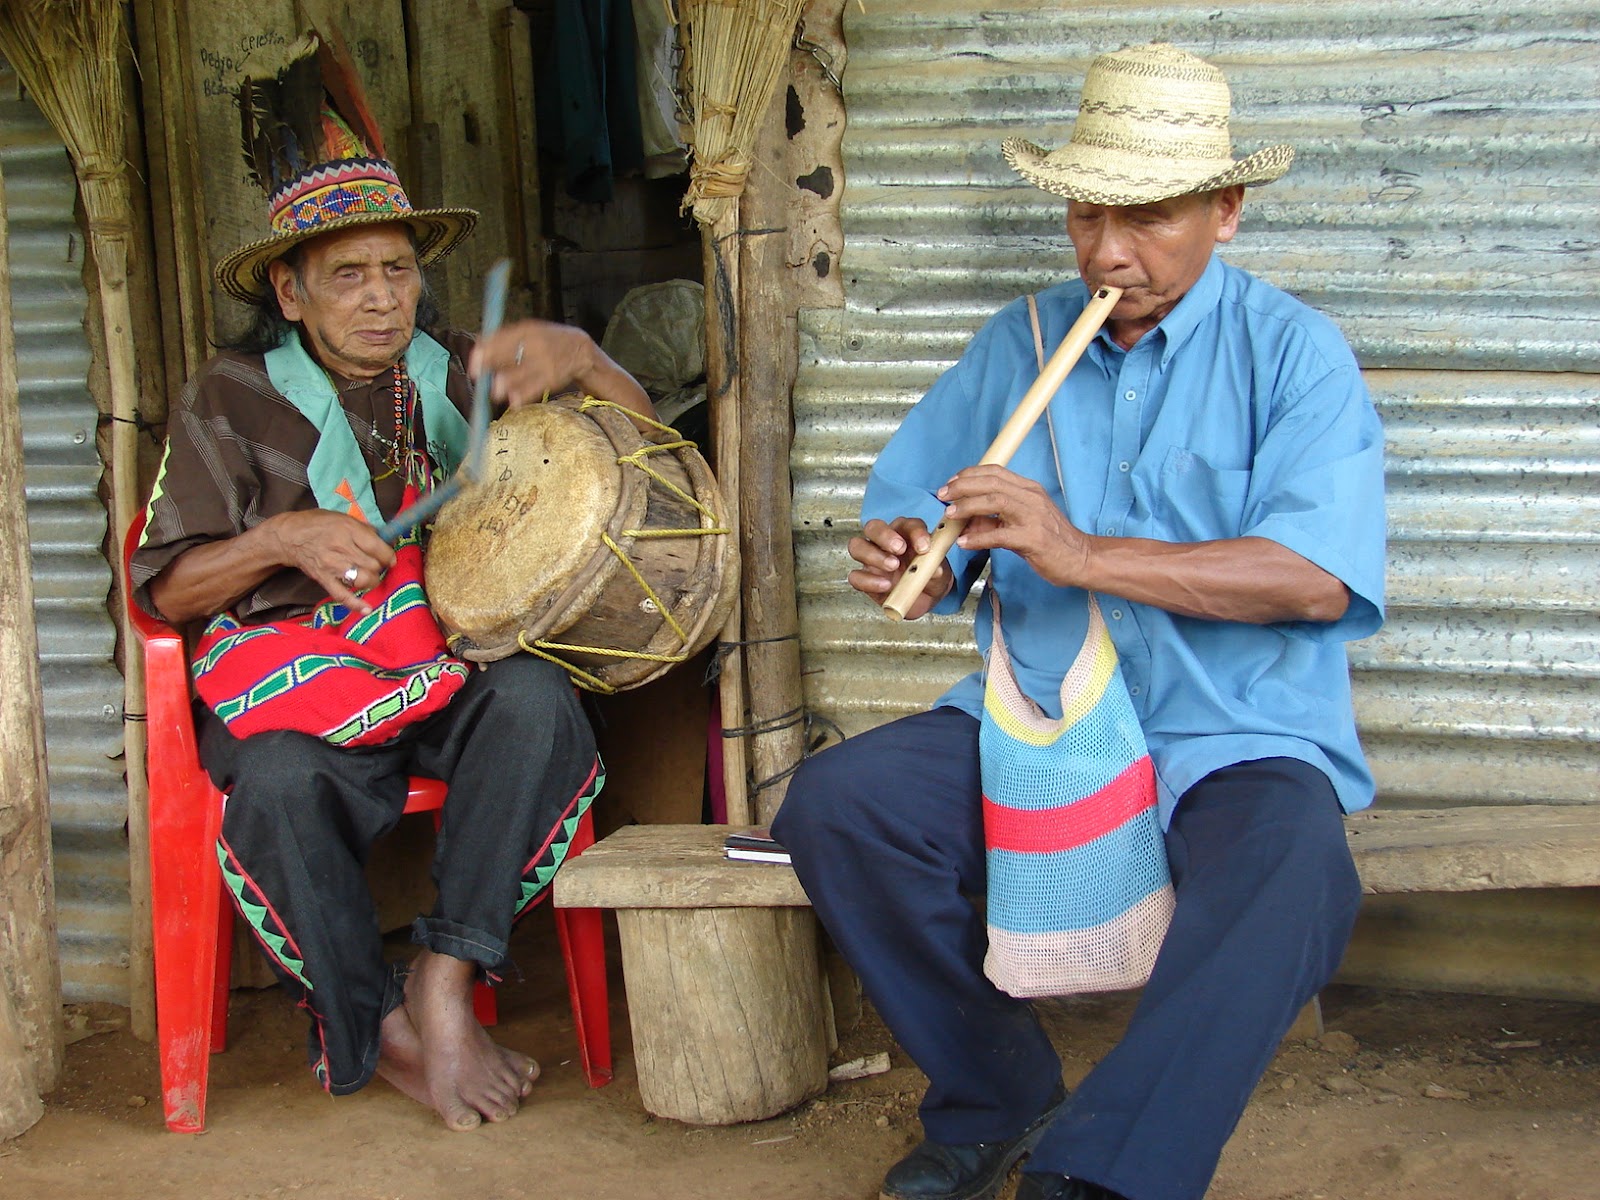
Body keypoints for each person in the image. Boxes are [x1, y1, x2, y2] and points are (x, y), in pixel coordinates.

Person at [771, 42, 1386, 1200]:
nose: (1109, 249)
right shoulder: (1022, 339)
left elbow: (1312, 578)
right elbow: (925, 510)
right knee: (841, 808)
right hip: (1039, 717)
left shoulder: (1293, 353)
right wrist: (919, 557)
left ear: (1225, 211)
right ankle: (996, 1091)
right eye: (1087, 212)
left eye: (1149, 216)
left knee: (1296, 868)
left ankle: (1106, 1170)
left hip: (1228, 730)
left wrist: (1078, 551)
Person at [130, 31, 651, 1132]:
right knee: (272, 787)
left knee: (540, 703)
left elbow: (638, 454)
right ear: (290, 288)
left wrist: (584, 357)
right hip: (292, 706)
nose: (382, 301)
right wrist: (282, 542)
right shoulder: (229, 397)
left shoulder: (452, 367)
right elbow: (166, 595)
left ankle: (445, 983)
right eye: (348, 276)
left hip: (434, 670)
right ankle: (371, 1019)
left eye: (399, 270)